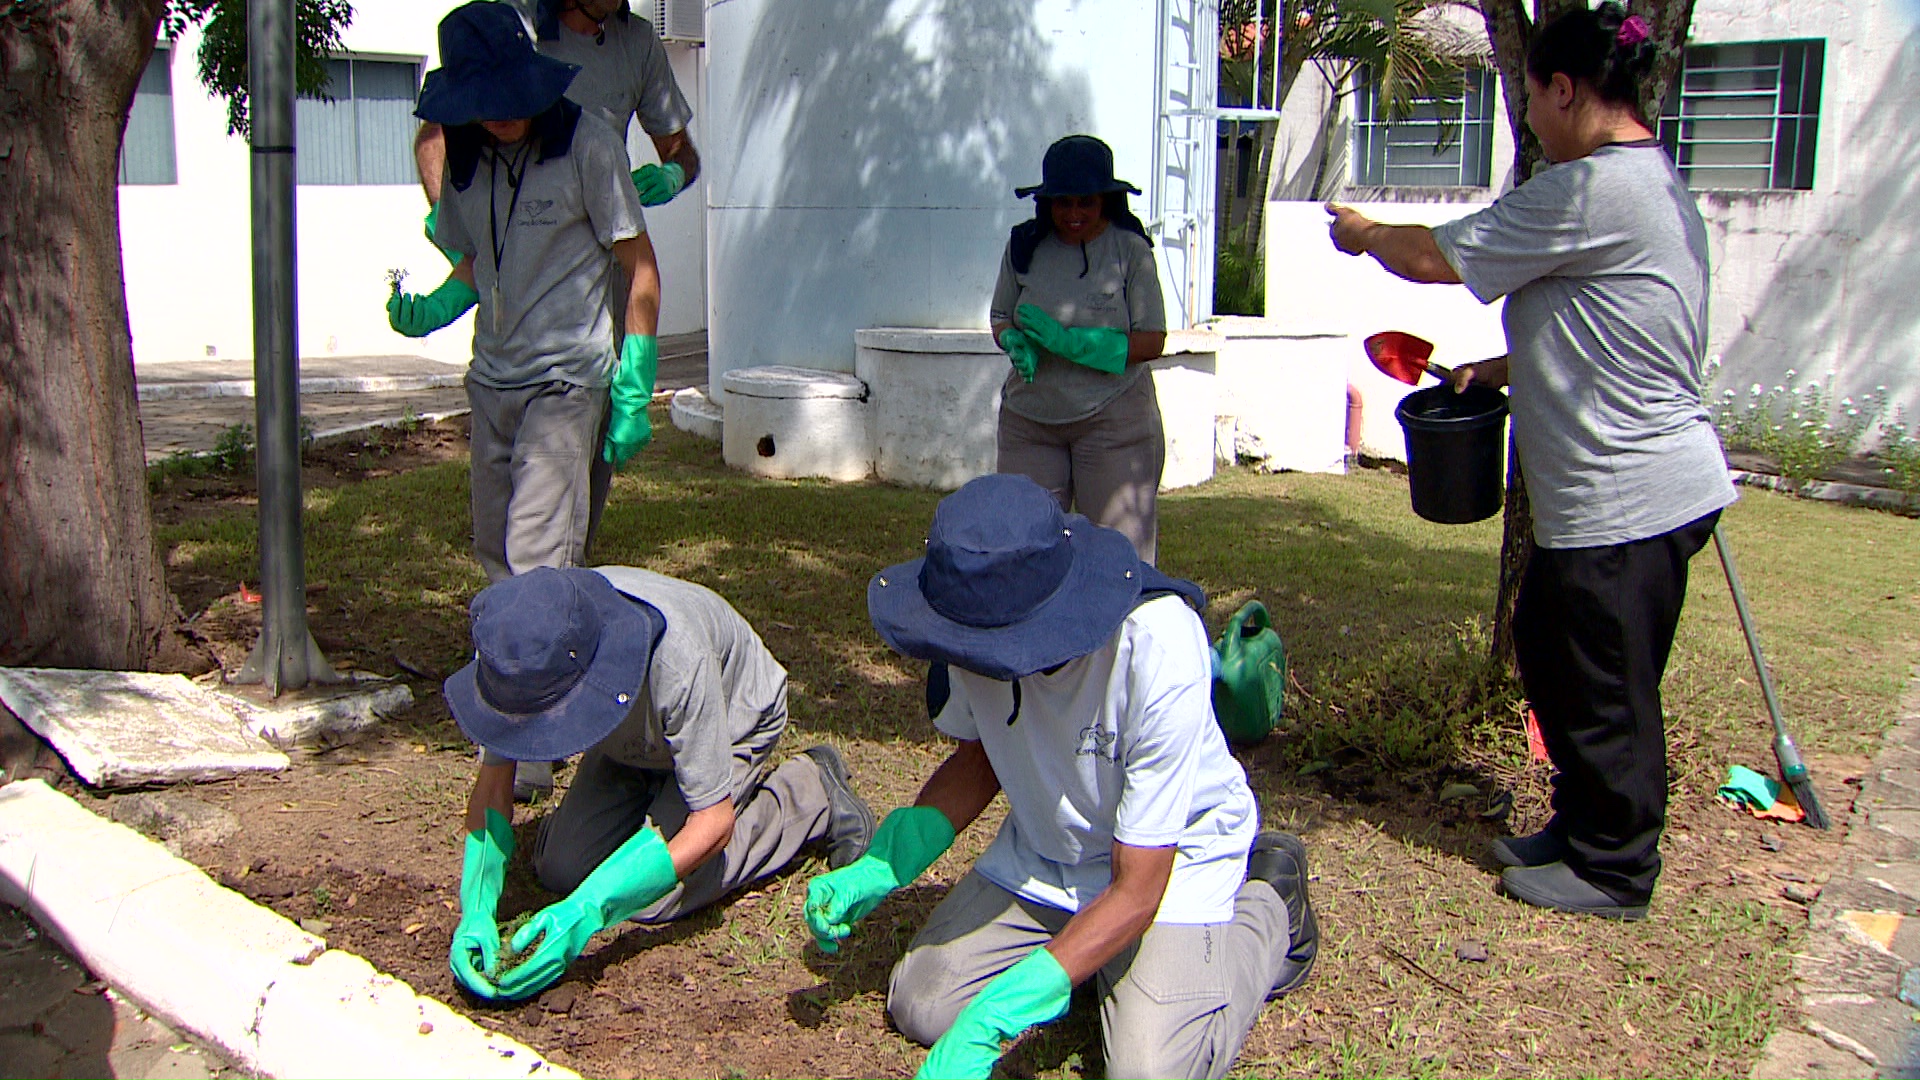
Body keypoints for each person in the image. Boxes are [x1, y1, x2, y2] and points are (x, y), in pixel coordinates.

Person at [1325, 2, 1736, 920]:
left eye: (1532, 105)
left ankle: (1615, 868)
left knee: (1604, 684)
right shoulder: (1647, 186)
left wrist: (1363, 233)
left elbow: (1433, 258)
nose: (1532, 126)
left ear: (1564, 89)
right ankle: (1582, 824)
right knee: (1553, 648)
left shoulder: (1595, 189)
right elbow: (1616, 327)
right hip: (1613, 492)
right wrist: (1499, 366)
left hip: (1628, 493)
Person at [803, 474, 1319, 1080]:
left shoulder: (1157, 643)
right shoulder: (970, 620)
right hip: (1050, 851)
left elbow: (1138, 887)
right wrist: (884, 864)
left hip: (1172, 862)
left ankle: (1269, 907)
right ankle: (1091, 965)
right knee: (924, 1003)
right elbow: (981, 755)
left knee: (1147, 1071)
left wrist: (1000, 1015)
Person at [443, 565, 877, 1001]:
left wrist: (590, 909)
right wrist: (477, 907)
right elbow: (494, 785)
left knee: (650, 898)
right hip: (629, 736)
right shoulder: (513, 653)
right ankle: (656, 797)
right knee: (562, 869)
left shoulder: (678, 658)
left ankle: (807, 791)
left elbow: (712, 823)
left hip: (729, 719)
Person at [991, 135, 1170, 564]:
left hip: (1112, 422)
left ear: (1105, 201)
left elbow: (1154, 340)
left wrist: (1074, 345)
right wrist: (1013, 340)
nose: (1074, 214)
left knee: (1118, 559)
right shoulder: (1023, 247)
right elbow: (1001, 315)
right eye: (1063, 203)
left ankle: (1117, 633)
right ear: (1046, 202)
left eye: (1085, 203)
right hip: (1030, 422)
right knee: (1022, 553)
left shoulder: (1130, 251)